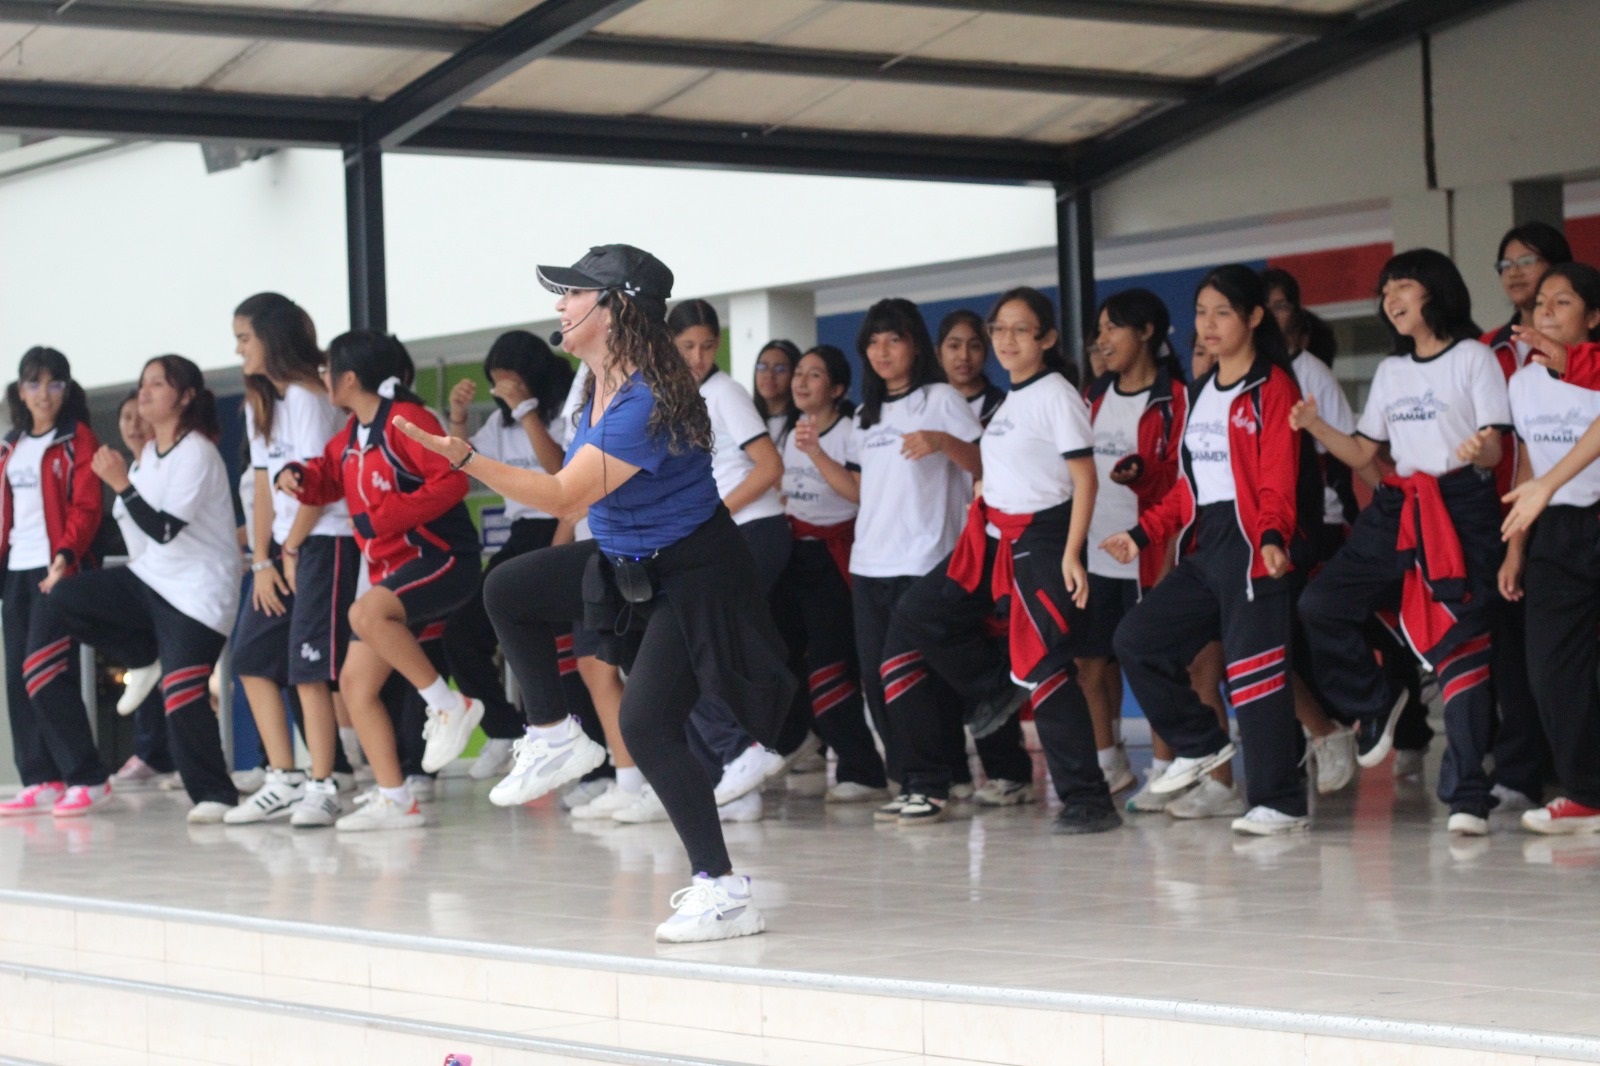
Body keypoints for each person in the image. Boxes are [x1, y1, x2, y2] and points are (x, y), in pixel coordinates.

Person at [399, 243, 792, 942]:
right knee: (510, 588)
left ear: (615, 309)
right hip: (625, 559)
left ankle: (723, 888)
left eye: (575, 294)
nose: (560, 305)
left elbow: (559, 494)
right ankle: (553, 736)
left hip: (693, 573)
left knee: (644, 724)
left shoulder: (644, 400)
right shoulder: (594, 384)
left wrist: (462, 457)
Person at [1295, 249, 1510, 836]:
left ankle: (1468, 797)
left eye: (1404, 286)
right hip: (1399, 505)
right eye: (1385, 289)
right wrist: (1316, 428)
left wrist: (1478, 452)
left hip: (1462, 507)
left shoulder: (1474, 358)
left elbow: (1496, 445)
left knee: (1462, 652)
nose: (1390, 298)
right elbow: (1367, 454)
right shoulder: (1392, 373)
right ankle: (1376, 701)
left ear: (1436, 291)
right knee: (1321, 604)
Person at [883, 287, 1113, 832]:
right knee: (920, 612)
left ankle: (1088, 799)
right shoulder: (1014, 398)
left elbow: (1085, 478)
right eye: (1000, 329)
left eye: (1020, 329)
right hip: (991, 541)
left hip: (1042, 539)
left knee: (1048, 672)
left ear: (1047, 338)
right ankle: (994, 686)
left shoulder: (1056, 394)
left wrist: (1074, 553)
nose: (1006, 340)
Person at [1105, 264, 1313, 836]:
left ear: (1252, 318)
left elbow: (1277, 478)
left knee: (1256, 676)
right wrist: (1142, 533)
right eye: (1201, 313)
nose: (1209, 324)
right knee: (1137, 640)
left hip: (1253, 545)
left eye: (1223, 312)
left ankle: (1282, 803)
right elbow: (1187, 489)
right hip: (1205, 547)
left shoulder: (1272, 387)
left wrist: (1272, 537)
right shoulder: (1198, 393)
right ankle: (1201, 743)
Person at [275, 331, 481, 831]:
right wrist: (297, 474)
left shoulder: (407, 422)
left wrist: (385, 518)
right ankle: (395, 798)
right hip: (394, 570)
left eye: (327, 371)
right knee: (354, 684)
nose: (321, 378)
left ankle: (451, 705)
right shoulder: (350, 435)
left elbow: (455, 478)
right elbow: (325, 477)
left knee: (364, 613)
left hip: (443, 557)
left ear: (348, 378)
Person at [49, 356, 240, 822]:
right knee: (63, 599)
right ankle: (143, 658)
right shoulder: (152, 454)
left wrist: (119, 483)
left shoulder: (196, 451)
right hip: (152, 579)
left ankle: (215, 795)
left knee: (182, 698)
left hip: (197, 595)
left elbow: (165, 528)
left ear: (187, 396)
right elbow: (144, 541)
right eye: (143, 384)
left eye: (158, 384)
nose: (145, 392)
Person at [224, 293, 362, 828]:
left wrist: (290, 549)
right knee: (252, 661)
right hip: (283, 552)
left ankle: (323, 783)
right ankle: (282, 777)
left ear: (272, 340)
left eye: (244, 339)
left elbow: (316, 488)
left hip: (322, 542)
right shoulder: (264, 403)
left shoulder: (309, 398)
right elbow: (262, 487)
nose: (239, 351)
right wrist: (262, 559)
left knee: (309, 668)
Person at [846, 298, 983, 797]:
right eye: (874, 341)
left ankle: (933, 779)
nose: (882, 351)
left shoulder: (941, 398)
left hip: (925, 558)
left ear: (915, 346)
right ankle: (910, 773)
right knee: (873, 676)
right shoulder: (866, 414)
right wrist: (816, 454)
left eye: (894, 339)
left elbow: (984, 463)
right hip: (868, 563)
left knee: (915, 677)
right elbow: (863, 491)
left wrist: (944, 441)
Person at [667, 300, 792, 823]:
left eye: (707, 345)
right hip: (715, 539)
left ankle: (741, 754)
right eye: (687, 346)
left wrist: (712, 516)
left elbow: (770, 467)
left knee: (693, 647)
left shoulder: (725, 393)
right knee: (688, 653)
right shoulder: (678, 398)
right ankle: (729, 774)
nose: (698, 356)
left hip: (750, 532)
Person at [441, 331, 573, 782]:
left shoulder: (564, 410)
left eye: (510, 380)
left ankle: (579, 751)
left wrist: (526, 410)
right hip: (520, 535)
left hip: (563, 528)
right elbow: (462, 461)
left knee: (565, 648)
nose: (503, 390)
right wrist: (458, 418)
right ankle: (504, 730)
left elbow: (560, 471)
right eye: (496, 383)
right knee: (461, 631)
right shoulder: (500, 424)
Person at [1498, 263, 1600, 833]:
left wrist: (1546, 485)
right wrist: (1517, 545)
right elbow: (1531, 461)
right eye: (1542, 302)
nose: (1546, 311)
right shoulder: (1522, 381)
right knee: (1552, 670)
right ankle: (1587, 793)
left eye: (1563, 302)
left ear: (1593, 317)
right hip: (1556, 528)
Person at [1079, 290, 1191, 803]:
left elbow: (1184, 483)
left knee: (1158, 665)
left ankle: (1167, 770)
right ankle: (1109, 764)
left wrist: (1145, 476)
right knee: (1091, 663)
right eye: (1100, 330)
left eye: (1113, 328)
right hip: (1096, 553)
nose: (1102, 340)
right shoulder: (1091, 398)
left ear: (1146, 332)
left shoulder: (1177, 401)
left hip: (1153, 553)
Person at [1479, 223, 1571, 813]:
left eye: (1528, 261)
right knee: (1516, 651)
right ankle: (1519, 769)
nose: (1514, 272)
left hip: (1573, 511)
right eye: (1504, 263)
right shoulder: (1488, 349)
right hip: (1506, 512)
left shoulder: (1580, 352)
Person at [0, 348, 111, 818]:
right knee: (17, 676)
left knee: (44, 672)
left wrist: (65, 556)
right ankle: (40, 776)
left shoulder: (75, 439)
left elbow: (87, 505)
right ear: (20, 391)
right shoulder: (10, 444)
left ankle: (87, 776)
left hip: (57, 568)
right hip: (16, 569)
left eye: (53, 384)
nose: (43, 394)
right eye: (34, 384)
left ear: (66, 390)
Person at [778, 344, 888, 801]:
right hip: (795, 555)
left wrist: (817, 452)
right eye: (798, 373)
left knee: (832, 664)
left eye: (815, 375)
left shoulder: (851, 429)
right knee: (788, 657)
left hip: (837, 558)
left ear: (839, 388)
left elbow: (858, 494)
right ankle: (800, 743)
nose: (800, 382)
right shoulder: (793, 430)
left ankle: (861, 768)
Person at [934, 307, 1034, 804]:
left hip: (996, 544)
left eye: (975, 344)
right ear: (938, 352)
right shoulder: (927, 403)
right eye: (954, 345)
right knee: (947, 653)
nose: (965, 355)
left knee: (993, 648)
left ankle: (1008, 771)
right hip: (944, 548)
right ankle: (952, 770)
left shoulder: (1004, 404)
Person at [103, 389, 179, 793]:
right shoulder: (131, 471)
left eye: (139, 416)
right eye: (125, 418)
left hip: (171, 586)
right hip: (140, 585)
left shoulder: (164, 468)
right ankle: (151, 753)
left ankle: (181, 757)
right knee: (146, 668)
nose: (133, 426)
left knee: (179, 674)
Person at [752, 339, 799, 441]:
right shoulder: (748, 416)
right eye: (762, 367)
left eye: (780, 369)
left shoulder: (804, 422)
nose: (769, 375)